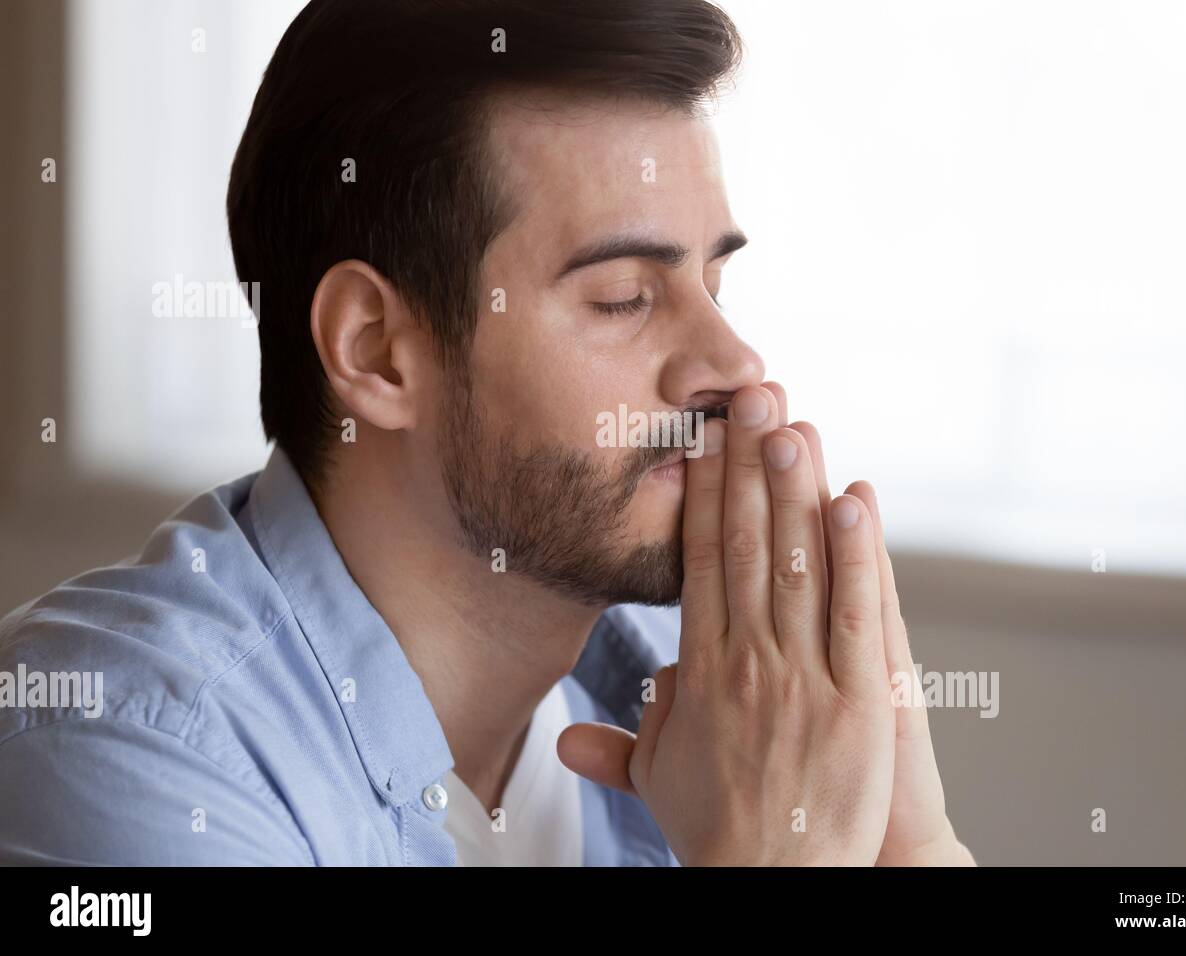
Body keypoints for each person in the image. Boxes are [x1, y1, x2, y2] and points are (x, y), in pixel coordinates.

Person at [0, 0, 973, 866]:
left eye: (713, 285)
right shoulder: (116, 753)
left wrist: (916, 844)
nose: (733, 363)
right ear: (378, 351)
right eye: (625, 297)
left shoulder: (716, 692)